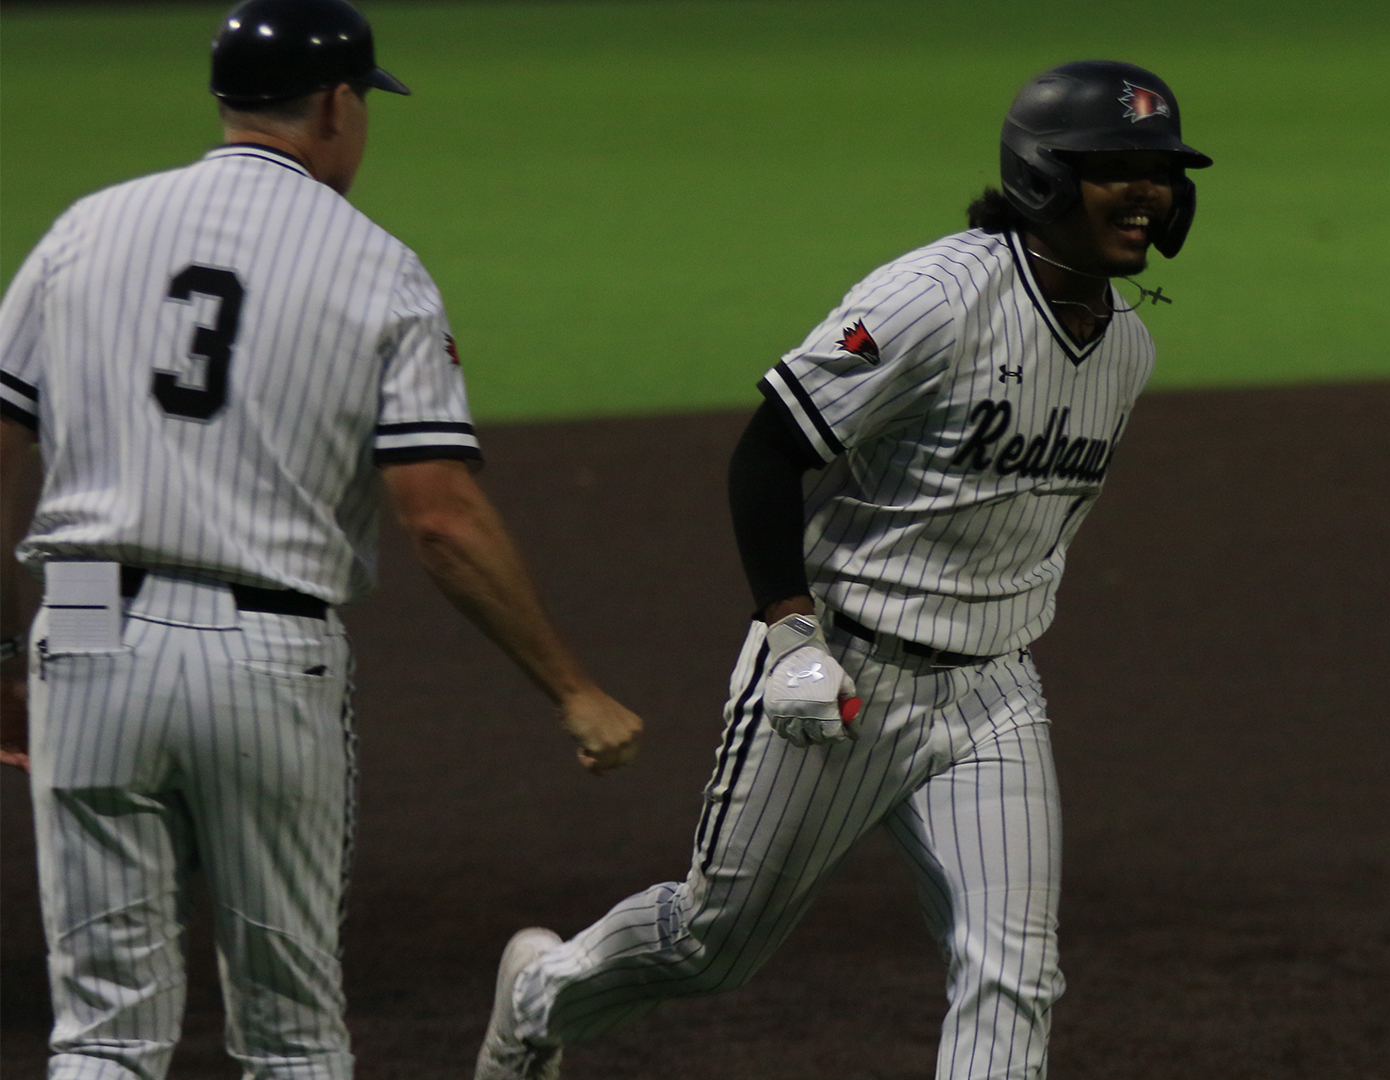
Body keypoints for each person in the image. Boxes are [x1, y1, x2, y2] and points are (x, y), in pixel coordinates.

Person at [472, 60, 1211, 1080]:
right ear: (1046, 177)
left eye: (1161, 170)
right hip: (843, 673)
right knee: (711, 944)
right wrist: (791, 634)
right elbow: (770, 450)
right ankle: (536, 999)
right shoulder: (934, 300)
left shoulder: (1127, 346)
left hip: (994, 692)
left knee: (1014, 976)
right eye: (1117, 168)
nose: (1149, 191)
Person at [0, 1, 645, 1076]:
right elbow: (438, 517)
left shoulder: (86, 228)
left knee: (105, 1035)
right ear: (341, 105)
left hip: (80, 613)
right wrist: (569, 687)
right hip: (262, 641)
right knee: (290, 1036)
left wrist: (4, 657)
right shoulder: (375, 266)